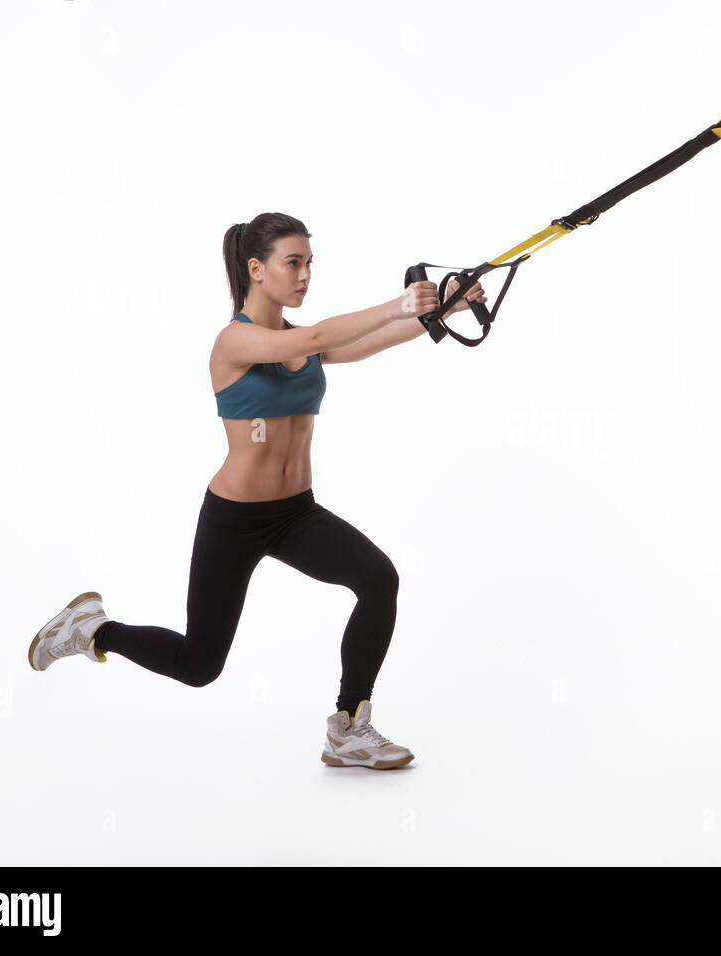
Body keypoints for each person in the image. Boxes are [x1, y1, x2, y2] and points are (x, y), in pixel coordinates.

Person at [27, 211, 485, 770]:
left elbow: (364, 342)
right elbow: (324, 334)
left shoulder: (300, 340)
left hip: (296, 513)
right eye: (293, 262)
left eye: (310, 263)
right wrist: (403, 301)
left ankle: (347, 729)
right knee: (199, 665)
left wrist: (444, 307)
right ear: (256, 269)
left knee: (378, 579)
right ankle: (93, 629)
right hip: (235, 519)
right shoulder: (235, 341)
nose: (305, 275)